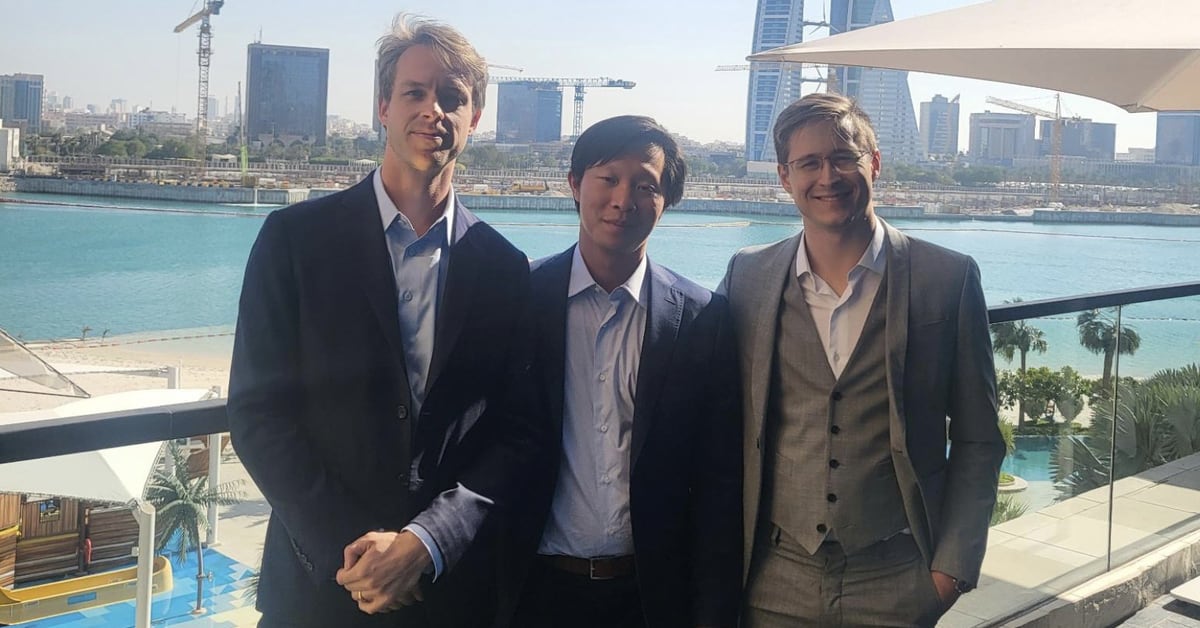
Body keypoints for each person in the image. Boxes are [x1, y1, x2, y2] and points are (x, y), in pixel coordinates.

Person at [227, 14, 538, 627]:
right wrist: (352, 551)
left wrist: (427, 542)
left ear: (475, 117)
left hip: (446, 592)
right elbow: (258, 413)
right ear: (383, 107)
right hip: (321, 588)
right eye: (414, 92)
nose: (433, 111)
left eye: (453, 97)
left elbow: (517, 432)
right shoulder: (295, 240)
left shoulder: (503, 267)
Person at [720, 92, 1005, 627]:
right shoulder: (748, 277)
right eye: (808, 163)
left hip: (899, 575)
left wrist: (950, 570)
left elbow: (979, 437)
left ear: (874, 163)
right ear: (784, 177)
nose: (827, 176)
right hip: (772, 575)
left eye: (843, 157)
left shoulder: (948, 278)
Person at [499, 115, 742, 628]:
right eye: (607, 178)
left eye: (645, 186)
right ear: (574, 184)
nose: (623, 199)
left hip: (652, 597)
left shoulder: (702, 319)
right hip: (530, 590)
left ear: (667, 200)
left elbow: (718, 479)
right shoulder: (517, 300)